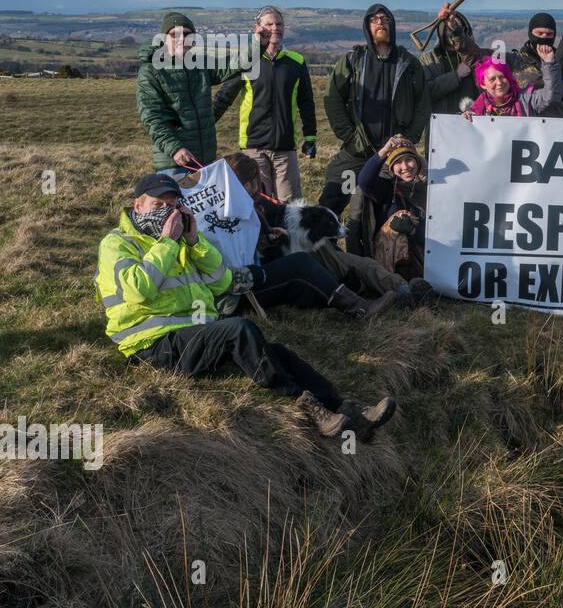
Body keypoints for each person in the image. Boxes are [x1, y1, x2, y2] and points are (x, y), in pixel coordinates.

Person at [96, 173, 396, 440]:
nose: (165, 212)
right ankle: (306, 407)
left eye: (172, 205)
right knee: (239, 330)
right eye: (157, 205)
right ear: (138, 206)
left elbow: (220, 281)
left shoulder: (182, 240)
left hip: (192, 331)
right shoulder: (117, 243)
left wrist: (193, 241)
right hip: (150, 345)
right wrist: (167, 243)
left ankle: (348, 411)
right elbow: (138, 290)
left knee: (277, 352)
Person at [223, 152, 431, 307]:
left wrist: (274, 231)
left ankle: (403, 289)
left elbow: (277, 214)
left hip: (298, 254)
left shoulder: (257, 203)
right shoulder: (223, 213)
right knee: (332, 268)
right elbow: (242, 251)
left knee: (357, 263)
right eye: (253, 183)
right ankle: (363, 302)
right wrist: (269, 240)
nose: (257, 187)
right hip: (265, 276)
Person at [320, 4, 430, 223]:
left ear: (393, 25)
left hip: (395, 155)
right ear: (367, 27)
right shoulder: (353, 61)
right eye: (374, 19)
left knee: (388, 207)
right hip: (358, 151)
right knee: (331, 203)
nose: (380, 22)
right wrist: (350, 136)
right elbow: (332, 97)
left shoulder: (408, 63)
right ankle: (322, 251)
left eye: (385, 19)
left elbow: (423, 103)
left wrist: (410, 137)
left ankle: (388, 251)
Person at [212, 6, 317, 200]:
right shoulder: (247, 61)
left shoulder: (296, 62)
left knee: (290, 207)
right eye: (269, 24)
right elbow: (224, 97)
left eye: (279, 24)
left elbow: (306, 102)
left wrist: (310, 137)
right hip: (254, 147)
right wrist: (205, 125)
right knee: (258, 204)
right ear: (257, 28)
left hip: (285, 148)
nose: (275, 28)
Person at [136, 11, 245, 178]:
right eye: (174, 34)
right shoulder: (150, 71)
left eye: (187, 34)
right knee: (176, 205)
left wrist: (260, 43)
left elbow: (232, 64)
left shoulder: (198, 64)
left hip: (205, 159)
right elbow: (152, 117)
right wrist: (175, 148)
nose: (181, 39)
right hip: (174, 163)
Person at [357, 136, 429, 278]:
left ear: (417, 161)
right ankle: (392, 283)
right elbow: (364, 182)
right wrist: (383, 152)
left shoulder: (429, 190)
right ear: (391, 167)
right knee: (399, 218)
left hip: (419, 256)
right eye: (398, 163)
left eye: (409, 159)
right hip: (388, 258)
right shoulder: (386, 188)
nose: (405, 167)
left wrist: (413, 231)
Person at [464, 50, 562, 118]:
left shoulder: (526, 99)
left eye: (503, 77)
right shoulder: (479, 107)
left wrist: (549, 64)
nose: (499, 82)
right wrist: (466, 118)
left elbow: (550, 97)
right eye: (492, 79)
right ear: (483, 84)